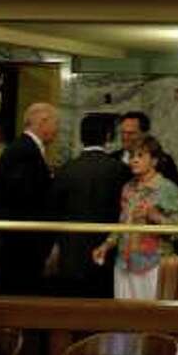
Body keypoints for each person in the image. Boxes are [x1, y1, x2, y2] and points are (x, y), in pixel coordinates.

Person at [49, 112, 129, 299]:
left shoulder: (66, 169)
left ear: (81, 136)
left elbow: (53, 208)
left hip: (71, 250)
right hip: (106, 248)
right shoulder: (120, 170)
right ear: (108, 137)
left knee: (72, 306)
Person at [96, 135, 178, 300]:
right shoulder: (128, 187)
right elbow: (122, 223)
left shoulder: (166, 188)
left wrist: (155, 216)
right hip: (124, 261)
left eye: (140, 156)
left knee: (150, 318)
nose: (134, 160)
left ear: (154, 161)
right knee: (125, 316)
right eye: (132, 156)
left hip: (152, 263)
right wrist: (106, 245)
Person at [0, 101, 58, 296]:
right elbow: (23, 196)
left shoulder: (25, 148)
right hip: (22, 240)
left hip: (22, 238)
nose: (57, 130)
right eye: (55, 123)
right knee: (19, 292)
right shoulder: (24, 151)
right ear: (43, 121)